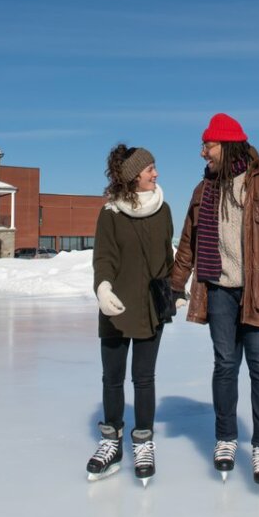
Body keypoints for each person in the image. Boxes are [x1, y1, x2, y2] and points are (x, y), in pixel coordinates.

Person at [171, 113, 259, 494]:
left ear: (226, 145)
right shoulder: (203, 191)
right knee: (225, 365)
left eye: (208, 145)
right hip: (219, 292)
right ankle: (226, 436)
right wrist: (174, 286)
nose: (202, 152)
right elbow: (188, 246)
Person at [85, 145, 176, 487]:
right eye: (150, 168)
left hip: (150, 306)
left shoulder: (163, 209)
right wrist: (103, 288)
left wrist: (175, 292)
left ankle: (143, 441)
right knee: (112, 377)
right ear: (134, 175)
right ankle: (111, 441)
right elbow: (104, 257)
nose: (156, 174)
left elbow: (167, 256)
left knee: (144, 377)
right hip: (115, 305)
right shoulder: (110, 213)